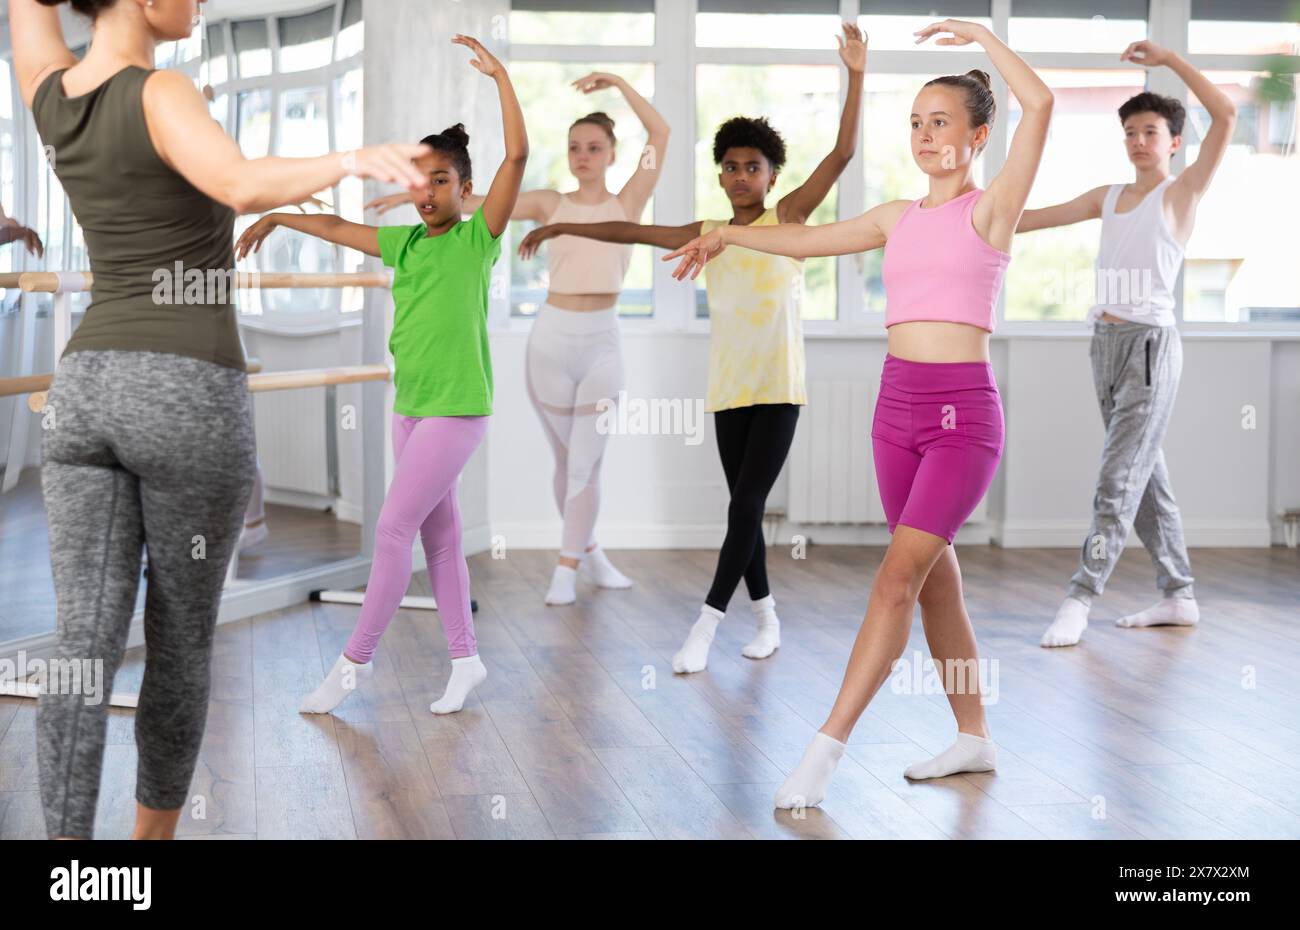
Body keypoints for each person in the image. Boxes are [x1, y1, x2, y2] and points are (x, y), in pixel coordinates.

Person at [13, 0, 431, 839]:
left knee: (79, 647)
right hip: (186, 392)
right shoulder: (160, 90)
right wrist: (350, 155)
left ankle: (68, 865)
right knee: (178, 643)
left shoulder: (49, 89)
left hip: (86, 389)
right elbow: (238, 183)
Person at [663, 18, 1053, 808]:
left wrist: (980, 33)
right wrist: (724, 237)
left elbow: (1041, 104)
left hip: (960, 420)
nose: (924, 135)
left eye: (941, 122)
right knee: (937, 585)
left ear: (979, 137)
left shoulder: (992, 210)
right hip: (894, 413)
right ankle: (974, 736)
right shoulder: (893, 216)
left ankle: (823, 751)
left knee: (892, 583)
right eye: (915, 122)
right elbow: (805, 244)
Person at [519, 22, 867, 669]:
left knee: (744, 505)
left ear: (770, 174)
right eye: (730, 167)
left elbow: (843, 154)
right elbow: (633, 229)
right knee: (745, 512)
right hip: (727, 391)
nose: (740, 176)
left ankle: (705, 626)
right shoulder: (707, 231)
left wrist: (856, 73)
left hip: (779, 390)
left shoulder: (786, 221)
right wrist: (563, 221)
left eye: (752, 167)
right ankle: (767, 622)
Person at [236, 35, 527, 718]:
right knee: (440, 536)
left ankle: (349, 666)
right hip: (413, 406)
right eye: (418, 181)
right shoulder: (404, 242)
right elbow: (338, 228)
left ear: (466, 189)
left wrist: (502, 80)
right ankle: (466, 660)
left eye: (442, 181)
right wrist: (277, 213)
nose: (427, 193)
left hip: (457, 408)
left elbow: (517, 154)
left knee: (392, 529)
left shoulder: (477, 237)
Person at [371, 72, 670, 607]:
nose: (583, 155)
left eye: (594, 148)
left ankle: (566, 565)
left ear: (611, 154)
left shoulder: (629, 203)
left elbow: (662, 135)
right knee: (567, 463)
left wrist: (621, 84)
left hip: (604, 340)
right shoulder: (549, 202)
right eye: (575, 147)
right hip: (552, 341)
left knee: (585, 462)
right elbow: (473, 197)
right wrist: (411, 192)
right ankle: (592, 551)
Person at [1025, 40, 1233, 648]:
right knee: (1146, 477)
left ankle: (1079, 596)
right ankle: (1179, 594)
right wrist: (970, 209)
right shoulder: (1108, 196)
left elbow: (1225, 116)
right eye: (1131, 131)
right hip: (1105, 344)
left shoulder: (1182, 194)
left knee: (1116, 481)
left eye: (1151, 131)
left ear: (1172, 141)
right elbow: (1032, 217)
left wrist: (1170, 60)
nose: (1139, 140)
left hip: (1150, 348)